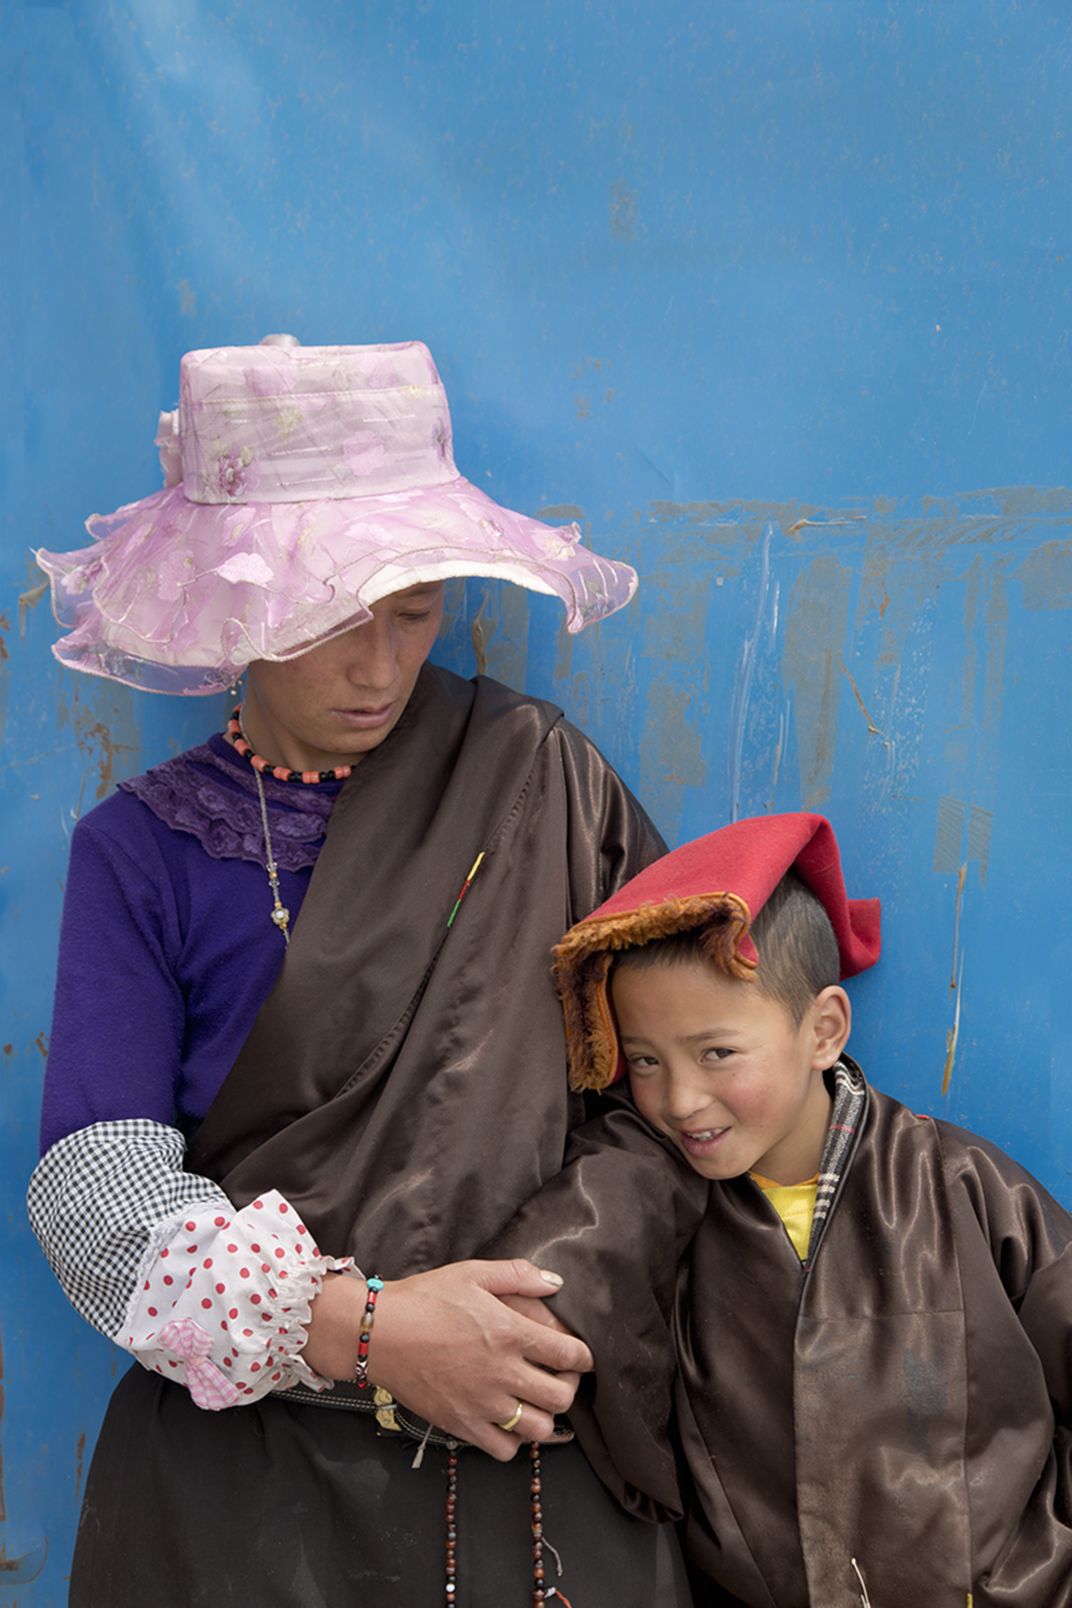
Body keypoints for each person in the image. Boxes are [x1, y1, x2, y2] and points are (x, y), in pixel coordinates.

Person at [27, 335, 697, 1606]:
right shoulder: (144, 856)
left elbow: (681, 1096)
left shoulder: (535, 777)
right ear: (233, 605)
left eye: (413, 612)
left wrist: (510, 1323)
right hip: (241, 1499)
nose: (378, 668)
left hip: (526, 1443)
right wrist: (373, 1331)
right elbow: (98, 1202)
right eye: (330, 621)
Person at [545, 812, 1072, 1607]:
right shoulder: (673, 1226)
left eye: (717, 1052)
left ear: (822, 1029)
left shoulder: (968, 1191)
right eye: (646, 1062)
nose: (681, 1100)